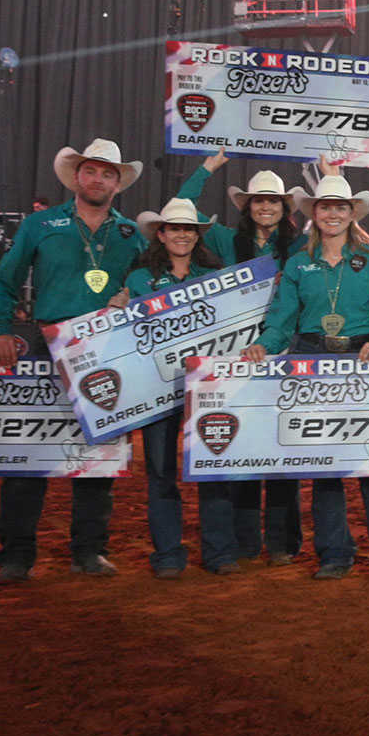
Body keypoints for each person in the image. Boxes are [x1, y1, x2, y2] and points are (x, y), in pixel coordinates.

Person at [0, 139, 147, 583]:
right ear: (77, 176)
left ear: (118, 183)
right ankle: (16, 556)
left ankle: (89, 551)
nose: (98, 180)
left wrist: (134, 294)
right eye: (91, 171)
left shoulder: (132, 233)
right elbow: (5, 281)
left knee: (98, 459)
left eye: (108, 173)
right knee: (27, 457)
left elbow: (153, 283)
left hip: (108, 350)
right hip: (48, 345)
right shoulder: (41, 224)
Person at [242, 174, 369, 583]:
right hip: (311, 358)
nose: (332, 213)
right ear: (313, 213)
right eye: (325, 206)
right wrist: (264, 344)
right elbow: (281, 319)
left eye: (340, 207)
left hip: (361, 358)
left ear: (352, 213)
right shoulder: (299, 263)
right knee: (324, 462)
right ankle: (335, 552)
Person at [175, 151, 305, 565]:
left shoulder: (300, 243)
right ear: (247, 206)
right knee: (244, 445)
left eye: (273, 201)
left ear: (285, 207)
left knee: (284, 447)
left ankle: (283, 542)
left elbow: (345, 235)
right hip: (234, 353)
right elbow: (183, 210)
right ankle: (248, 540)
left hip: (285, 349)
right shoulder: (224, 238)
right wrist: (208, 168)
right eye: (258, 200)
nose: (265, 206)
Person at [118, 198, 238, 578]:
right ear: (161, 233)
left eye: (190, 229)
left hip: (204, 390)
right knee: (160, 472)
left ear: (198, 234)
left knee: (212, 468)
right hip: (155, 390)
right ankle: (168, 553)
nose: (182, 234)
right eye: (175, 228)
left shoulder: (217, 275)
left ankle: (219, 552)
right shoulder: (139, 279)